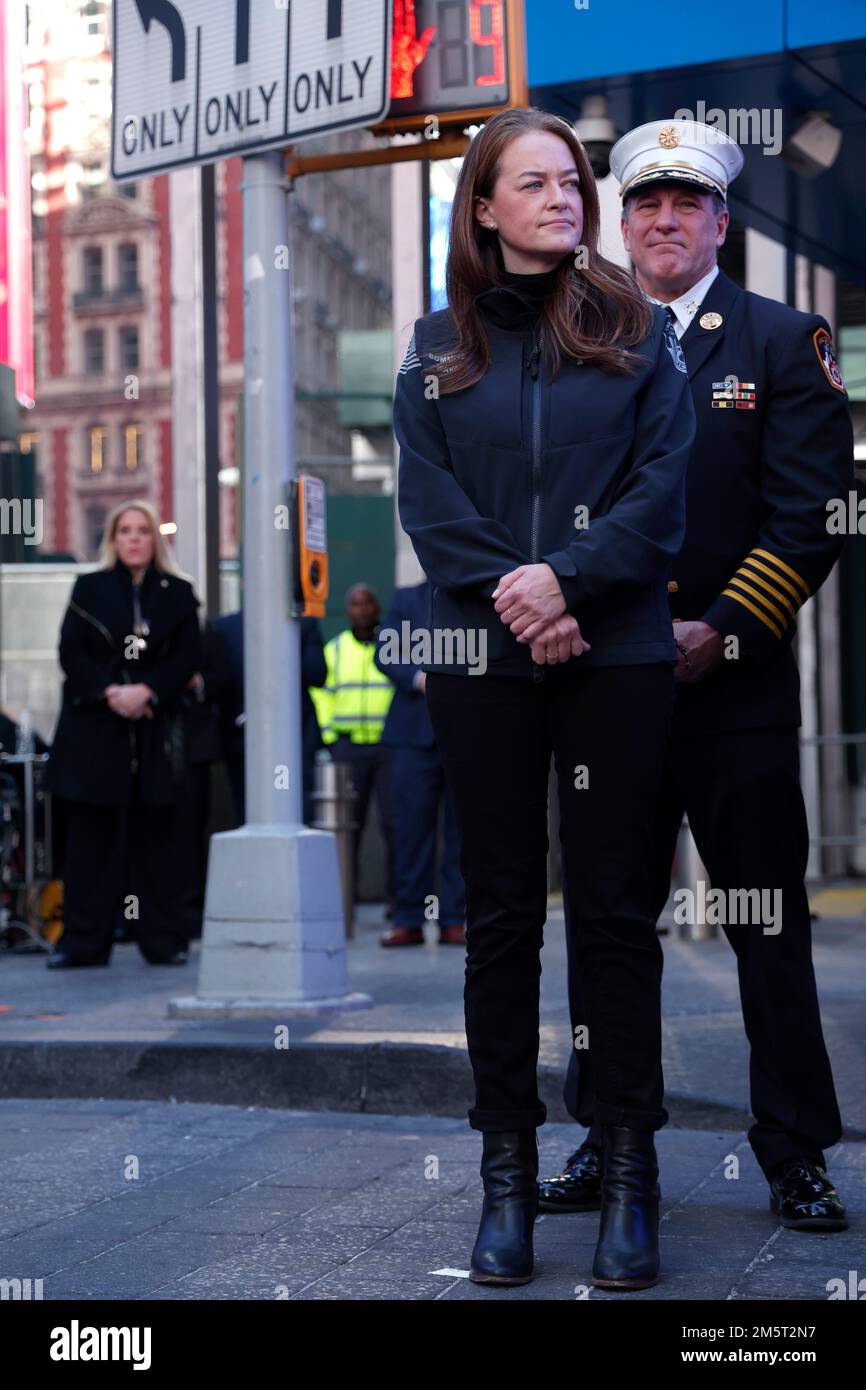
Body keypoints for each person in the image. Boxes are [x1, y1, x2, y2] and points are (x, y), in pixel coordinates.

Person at [393, 106, 695, 1289]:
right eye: (534, 183)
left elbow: (661, 484)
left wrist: (563, 578)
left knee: (615, 915)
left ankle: (627, 1170)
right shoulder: (435, 343)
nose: (562, 198)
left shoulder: (634, 327)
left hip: (613, 648)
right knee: (502, 917)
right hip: (483, 656)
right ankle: (504, 1178)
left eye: (571, 182)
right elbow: (428, 502)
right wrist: (519, 595)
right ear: (483, 206)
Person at [540, 119, 853, 1234]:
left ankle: (796, 1151)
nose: (663, 222)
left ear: (720, 222)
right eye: (644, 206)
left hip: (733, 697)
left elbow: (810, 513)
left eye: (685, 206)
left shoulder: (779, 340)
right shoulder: (574, 342)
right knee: (606, 924)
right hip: (604, 691)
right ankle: (605, 1130)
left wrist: (719, 628)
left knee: (765, 923)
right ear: (619, 226)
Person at [45, 500, 202, 968]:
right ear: (113, 539)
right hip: (96, 733)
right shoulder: (88, 588)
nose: (134, 538)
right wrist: (111, 693)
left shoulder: (178, 593)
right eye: (125, 531)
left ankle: (163, 939)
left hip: (155, 736)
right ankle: (83, 943)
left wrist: (149, 692)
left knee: (158, 845)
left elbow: (187, 657)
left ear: (155, 538)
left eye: (142, 530)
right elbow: (71, 654)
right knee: (90, 844)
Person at [374, 576, 466, 947]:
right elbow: (385, 651)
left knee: (462, 833)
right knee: (410, 831)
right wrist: (419, 677)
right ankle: (409, 918)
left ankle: (454, 920)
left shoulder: (473, 594)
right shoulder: (406, 598)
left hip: (466, 731)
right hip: (412, 735)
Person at [311, 585, 396, 914]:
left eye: (367, 602)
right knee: (348, 826)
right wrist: (331, 737)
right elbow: (323, 694)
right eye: (355, 604)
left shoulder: (392, 646)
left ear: (377, 607)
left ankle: (397, 903)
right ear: (347, 611)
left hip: (387, 747)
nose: (361, 609)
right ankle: (346, 899)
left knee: (395, 824)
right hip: (347, 747)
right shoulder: (335, 650)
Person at [213, 609, 326, 826]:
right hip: (242, 739)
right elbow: (219, 681)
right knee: (247, 813)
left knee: (291, 807)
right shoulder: (225, 627)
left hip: (292, 740)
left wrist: (282, 644)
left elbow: (317, 673)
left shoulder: (303, 624)